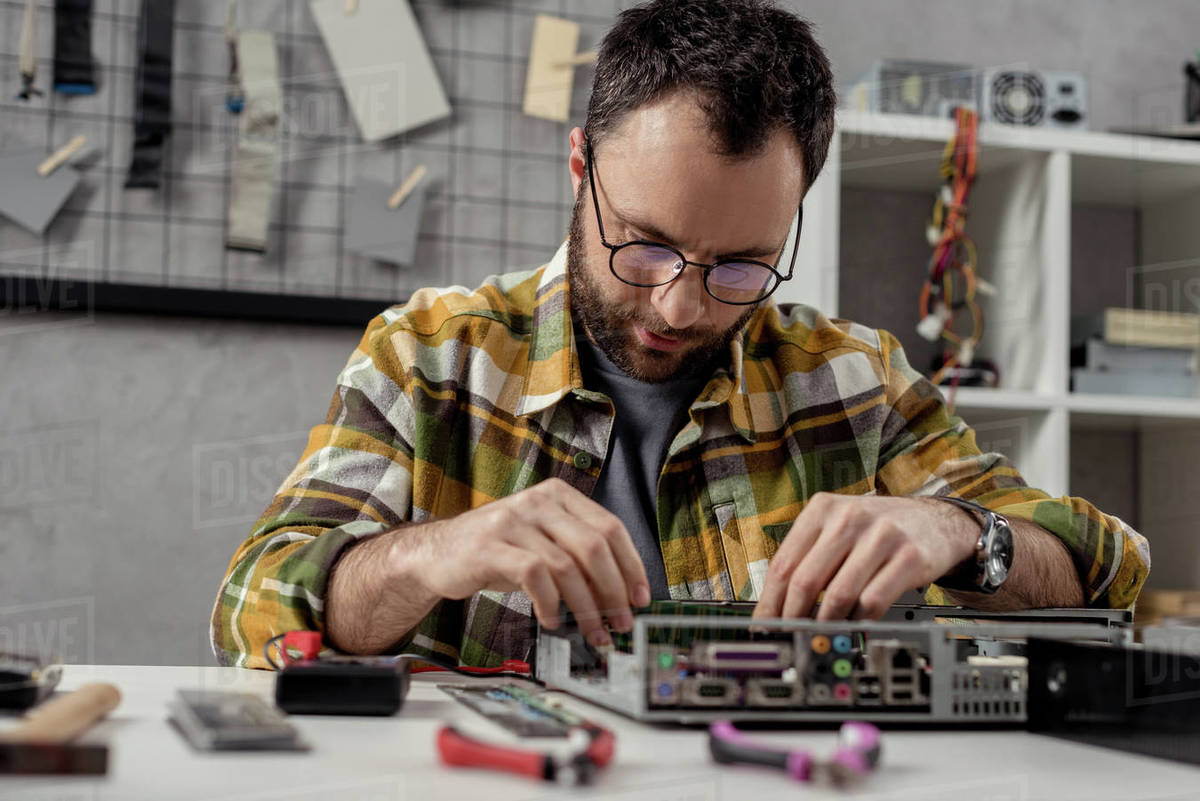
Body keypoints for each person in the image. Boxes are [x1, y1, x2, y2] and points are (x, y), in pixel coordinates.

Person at [211, 0, 1148, 668]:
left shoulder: (854, 382)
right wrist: (434, 553)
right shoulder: (426, 358)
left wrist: (957, 531)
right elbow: (251, 603)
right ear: (579, 169)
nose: (679, 307)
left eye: (741, 264)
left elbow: (1109, 574)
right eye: (645, 245)